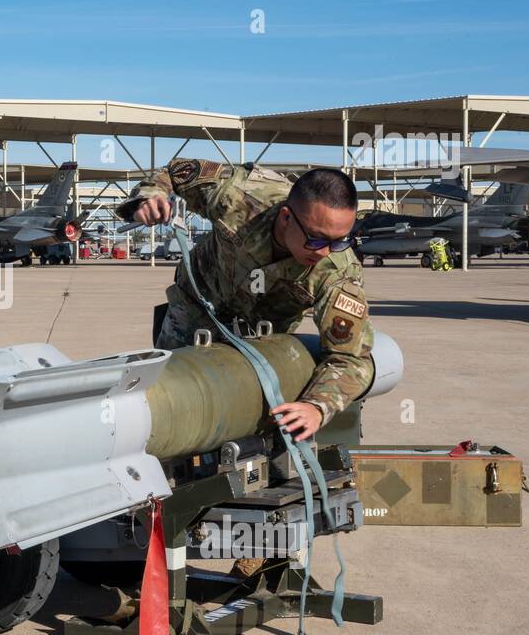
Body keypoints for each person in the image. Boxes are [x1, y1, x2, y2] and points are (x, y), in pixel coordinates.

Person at [120, 160, 374, 443]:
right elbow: (177, 172)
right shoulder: (237, 197)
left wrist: (317, 407)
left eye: (339, 241)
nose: (326, 252)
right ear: (286, 217)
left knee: (243, 421)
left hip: (263, 338)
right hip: (196, 305)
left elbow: (352, 359)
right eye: (316, 240)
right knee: (167, 399)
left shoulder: (338, 271)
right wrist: (151, 196)